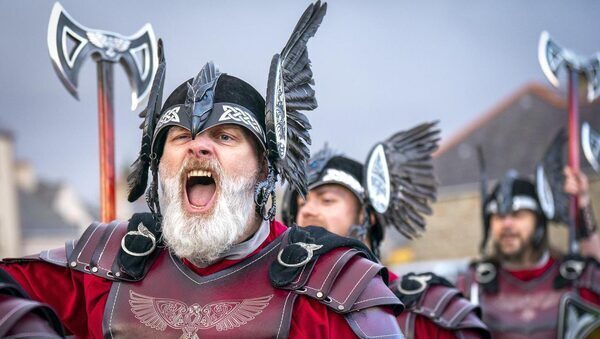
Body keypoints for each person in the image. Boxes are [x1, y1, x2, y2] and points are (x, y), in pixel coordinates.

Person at [0, 3, 405, 338]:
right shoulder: (102, 264)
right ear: (158, 166)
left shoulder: (334, 281)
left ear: (265, 166)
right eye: (179, 137)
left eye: (226, 136)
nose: (198, 145)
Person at [282, 123, 490, 339]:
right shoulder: (278, 302)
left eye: (327, 200)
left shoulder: (428, 311)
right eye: (301, 203)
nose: (307, 211)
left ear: (367, 216)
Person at [456, 134, 600, 338]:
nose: (506, 224)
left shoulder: (576, 279)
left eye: (517, 215)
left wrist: (582, 203)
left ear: (539, 221)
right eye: (498, 216)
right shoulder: (471, 286)